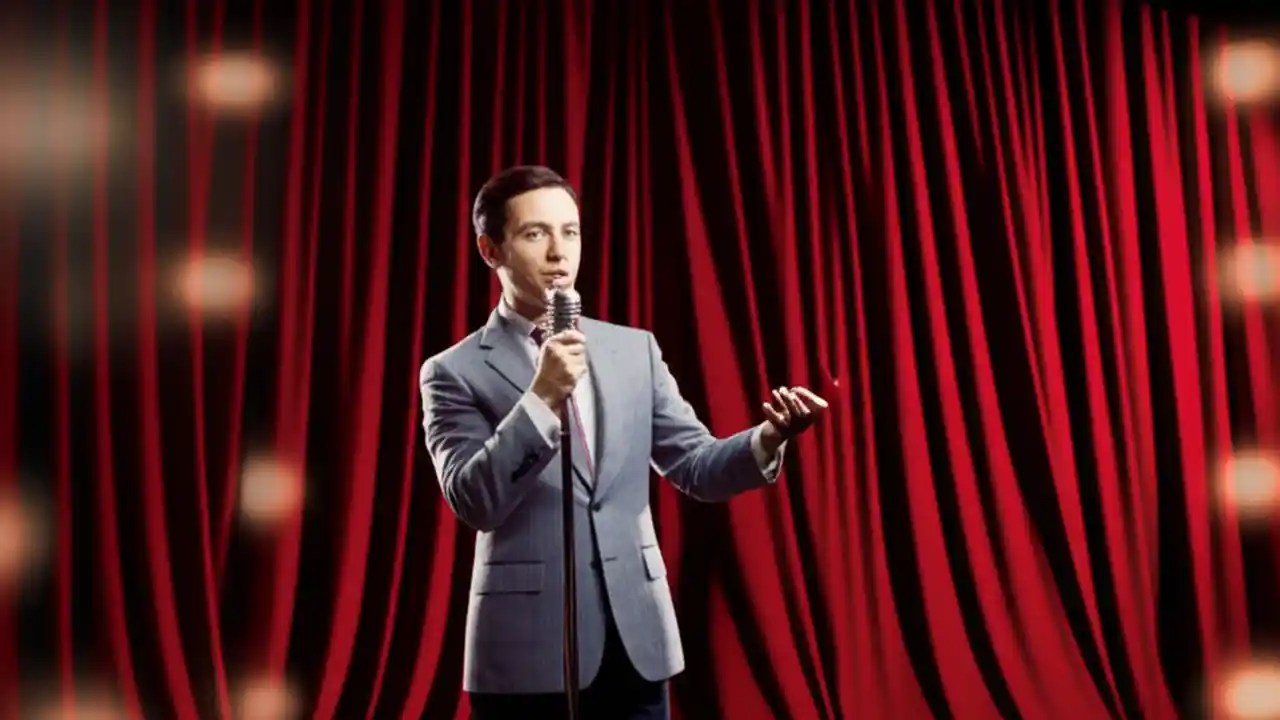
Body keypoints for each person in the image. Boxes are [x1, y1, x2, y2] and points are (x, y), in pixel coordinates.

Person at [419, 165, 829, 719]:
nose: (559, 252)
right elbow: (475, 501)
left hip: (634, 641)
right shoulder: (452, 371)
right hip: (525, 654)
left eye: (571, 232)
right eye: (535, 233)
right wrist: (541, 397)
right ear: (490, 249)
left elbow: (696, 467)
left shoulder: (634, 350)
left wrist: (769, 436)